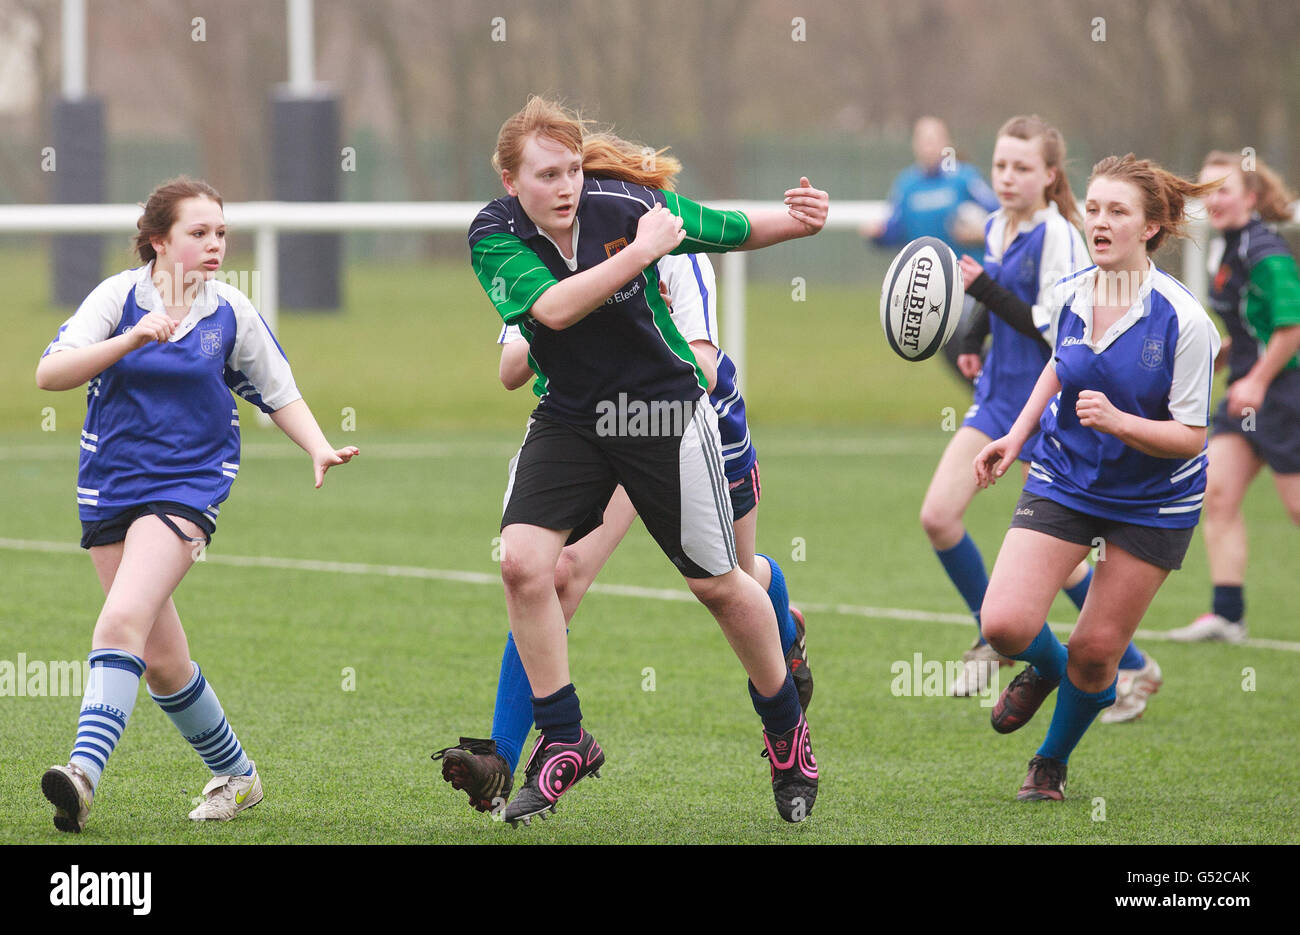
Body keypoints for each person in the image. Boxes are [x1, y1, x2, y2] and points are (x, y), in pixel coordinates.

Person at [464, 97, 826, 825]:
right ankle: (565, 737)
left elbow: (726, 228)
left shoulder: (626, 200)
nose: (566, 186)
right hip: (571, 415)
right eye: (545, 174)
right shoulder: (492, 234)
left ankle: (787, 734)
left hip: (661, 410)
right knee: (524, 563)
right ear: (510, 180)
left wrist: (801, 221)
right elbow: (556, 311)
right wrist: (642, 252)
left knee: (722, 586)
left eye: (572, 169)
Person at [36, 177, 359, 833]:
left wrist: (318, 445)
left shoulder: (230, 311)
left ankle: (81, 777)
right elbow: (51, 373)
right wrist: (129, 340)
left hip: (188, 486)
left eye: (220, 233)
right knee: (160, 659)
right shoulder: (117, 298)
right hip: (109, 485)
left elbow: (278, 391)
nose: (215, 244)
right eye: (199, 232)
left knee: (119, 619)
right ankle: (239, 775)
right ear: (158, 239)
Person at [973, 155, 1221, 800]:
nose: (1099, 221)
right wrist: (1015, 434)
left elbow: (1193, 437)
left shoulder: (1186, 323)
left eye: (1118, 211)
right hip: (1067, 476)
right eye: (1093, 208)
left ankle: (1050, 761)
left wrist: (1120, 422)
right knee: (1002, 624)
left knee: (1096, 651)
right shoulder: (1074, 290)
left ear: (1152, 227)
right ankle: (1045, 669)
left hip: (1154, 500)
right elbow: (1060, 363)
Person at [918, 116, 1156, 719]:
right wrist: (974, 333)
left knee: (1065, 563)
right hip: (996, 396)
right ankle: (994, 637)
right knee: (938, 516)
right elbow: (997, 301)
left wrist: (985, 293)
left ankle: (1133, 668)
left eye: (1022, 168)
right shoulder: (998, 224)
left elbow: (1052, 325)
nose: (1007, 177)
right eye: (1000, 165)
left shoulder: (1060, 236)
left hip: (1043, 406)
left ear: (1050, 176)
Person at [1167, 152, 1300, 643]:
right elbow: (1255, 326)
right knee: (1216, 492)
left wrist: (1259, 381)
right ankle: (1228, 615)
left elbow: (1291, 329)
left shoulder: (1265, 251)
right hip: (1246, 389)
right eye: (1206, 192)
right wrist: (1227, 353)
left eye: (1224, 189)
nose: (1214, 200)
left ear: (1250, 197)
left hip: (1284, 392)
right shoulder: (1223, 248)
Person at [863, 116, 1000, 383]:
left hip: (970, 281)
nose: (928, 146)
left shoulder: (964, 177)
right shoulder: (907, 184)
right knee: (950, 347)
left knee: (968, 339)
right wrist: (877, 235)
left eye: (934, 139)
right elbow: (895, 230)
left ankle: (995, 396)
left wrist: (979, 232)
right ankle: (988, 397)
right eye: (923, 140)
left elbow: (1000, 216)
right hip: (931, 288)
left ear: (946, 143)